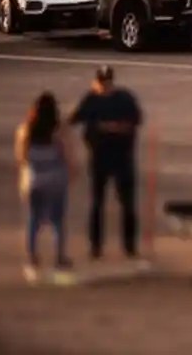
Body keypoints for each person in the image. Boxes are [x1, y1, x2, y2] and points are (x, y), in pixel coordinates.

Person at [69, 66, 143, 262]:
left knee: (127, 204)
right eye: (102, 82)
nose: (104, 85)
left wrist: (110, 127)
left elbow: (136, 119)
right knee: (97, 203)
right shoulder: (91, 99)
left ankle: (129, 245)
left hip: (121, 157)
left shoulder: (124, 99)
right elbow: (73, 119)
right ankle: (96, 245)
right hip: (99, 158)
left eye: (107, 82)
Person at [15, 92, 75, 282]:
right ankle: (59, 257)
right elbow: (67, 154)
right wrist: (71, 172)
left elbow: (21, 157)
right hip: (56, 178)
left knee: (33, 219)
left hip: (34, 178)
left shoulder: (26, 130)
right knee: (57, 221)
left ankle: (32, 256)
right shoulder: (59, 130)